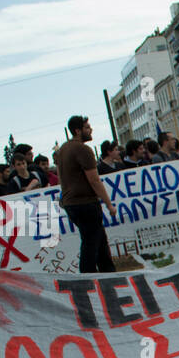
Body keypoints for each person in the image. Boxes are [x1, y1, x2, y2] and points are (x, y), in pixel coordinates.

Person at [56, 115, 118, 274]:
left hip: (71, 203)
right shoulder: (83, 149)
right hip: (85, 203)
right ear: (78, 130)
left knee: (99, 239)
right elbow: (94, 180)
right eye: (87, 127)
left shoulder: (63, 149)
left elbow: (62, 177)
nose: (91, 130)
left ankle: (108, 272)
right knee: (91, 242)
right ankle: (88, 277)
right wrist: (109, 204)